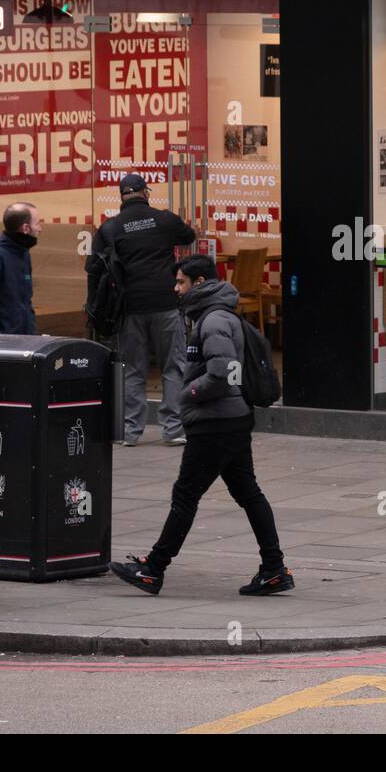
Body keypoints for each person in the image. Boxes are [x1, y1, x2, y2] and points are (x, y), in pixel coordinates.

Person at [108, 254, 292, 597]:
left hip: (216, 422)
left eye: (181, 282)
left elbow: (222, 373)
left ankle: (153, 569)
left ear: (201, 282)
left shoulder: (214, 321)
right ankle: (274, 568)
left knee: (186, 496)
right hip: (231, 420)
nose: (176, 289)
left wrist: (187, 393)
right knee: (248, 493)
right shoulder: (212, 316)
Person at [86, 173, 197, 446]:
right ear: (145, 193)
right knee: (174, 366)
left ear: (121, 195)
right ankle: (172, 430)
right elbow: (189, 235)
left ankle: (131, 432)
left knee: (134, 370)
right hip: (166, 304)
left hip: (130, 309)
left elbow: (93, 268)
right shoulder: (164, 219)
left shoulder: (110, 227)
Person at [0, 201, 41, 335]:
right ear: (26, 228)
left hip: (23, 341)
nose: (40, 228)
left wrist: (32, 334)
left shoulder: (24, 255)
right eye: (37, 223)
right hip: (1, 345)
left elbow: (25, 302)